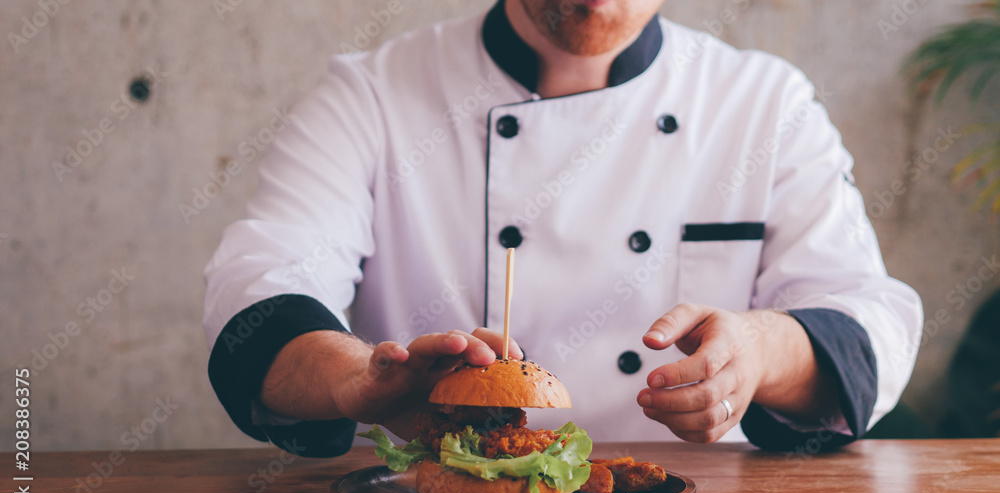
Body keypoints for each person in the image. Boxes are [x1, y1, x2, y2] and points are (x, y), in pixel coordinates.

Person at [202, 0, 923, 457]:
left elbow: (870, 321)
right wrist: (355, 380)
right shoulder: (373, 97)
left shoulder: (765, 105)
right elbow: (263, 286)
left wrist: (764, 351)